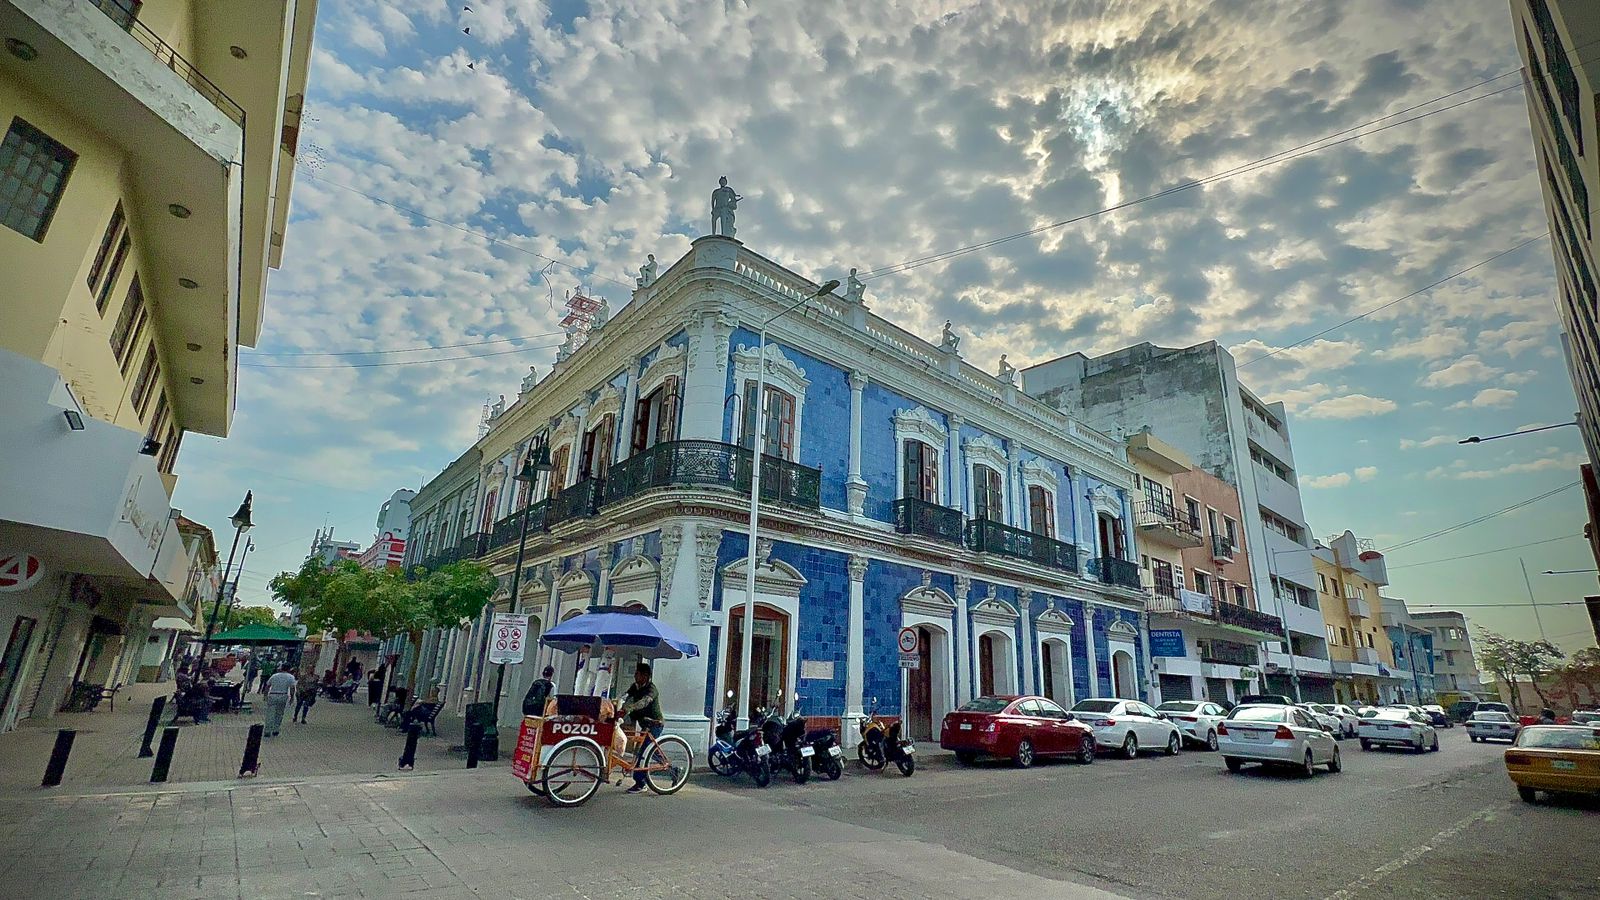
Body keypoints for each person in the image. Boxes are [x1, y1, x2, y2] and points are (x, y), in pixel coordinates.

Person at [617, 662, 663, 794]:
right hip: (644, 724)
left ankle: (640, 783)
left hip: (655, 724)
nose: (635, 676)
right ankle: (674, 771)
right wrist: (618, 706)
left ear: (646, 676)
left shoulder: (652, 689)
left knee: (643, 753)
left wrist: (630, 708)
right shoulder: (635, 686)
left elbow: (644, 702)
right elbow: (626, 697)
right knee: (648, 752)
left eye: (638, 674)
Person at [263, 664, 296, 737]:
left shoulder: (274, 676)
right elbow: (292, 688)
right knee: (279, 714)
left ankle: (267, 730)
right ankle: (276, 729)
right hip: (283, 695)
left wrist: (265, 695)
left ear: (281, 668)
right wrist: (292, 697)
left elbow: (268, 685)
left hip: (273, 695)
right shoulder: (291, 677)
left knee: (270, 713)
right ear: (289, 669)